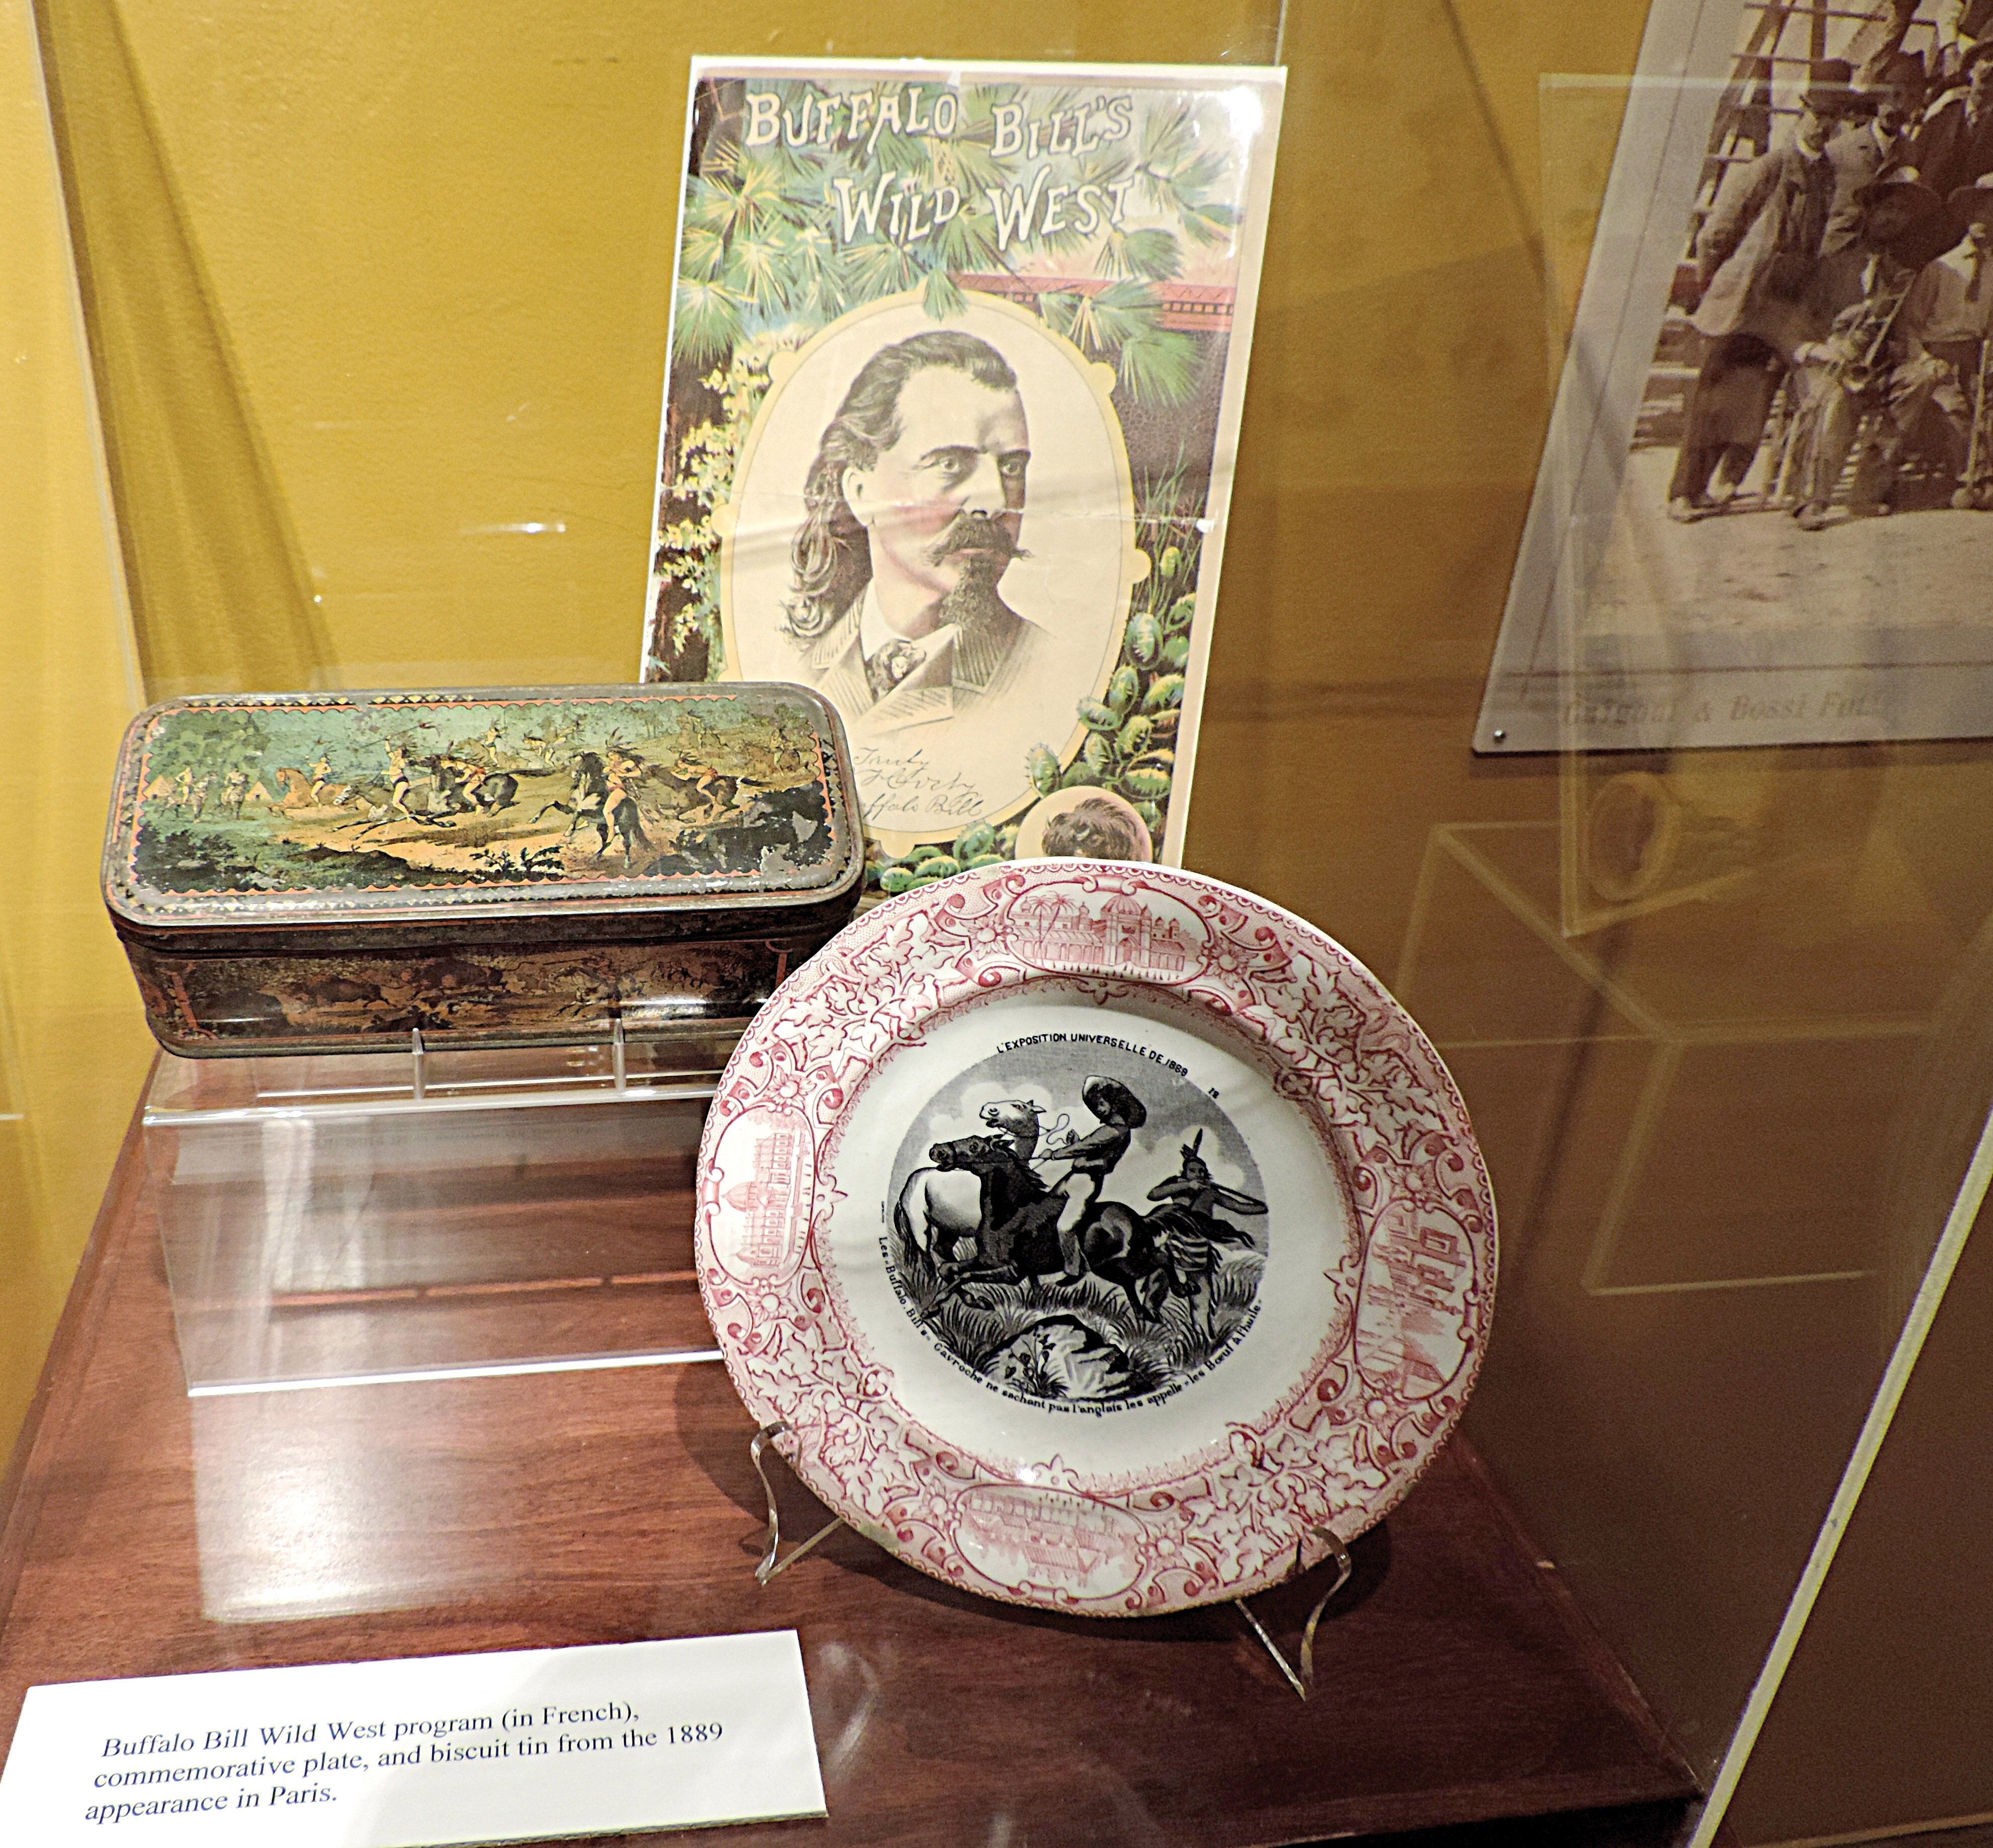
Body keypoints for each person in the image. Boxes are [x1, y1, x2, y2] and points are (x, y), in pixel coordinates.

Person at [784, 330, 1050, 733]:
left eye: (1011, 468)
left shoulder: (1046, 673)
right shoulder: (795, 672)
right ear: (861, 493)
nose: (997, 501)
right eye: (950, 464)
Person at [1669, 61, 1874, 522]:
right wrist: (1717, 286)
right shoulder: (1771, 166)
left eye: (1834, 116)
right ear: (1803, 110)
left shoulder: (1827, 176)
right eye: (1818, 113)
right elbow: (1716, 234)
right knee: (1715, 396)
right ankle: (1685, 492)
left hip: (1782, 307)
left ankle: (1723, 488)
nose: (1824, 124)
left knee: (1757, 397)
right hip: (1741, 299)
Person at [1790, 174, 1954, 529]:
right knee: (1835, 397)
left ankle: (1866, 490)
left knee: (1920, 381)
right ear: (1871, 212)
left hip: (1880, 368)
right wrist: (1821, 349)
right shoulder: (1833, 260)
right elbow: (1801, 319)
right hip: (1827, 363)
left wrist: (1924, 358)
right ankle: (1812, 499)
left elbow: (1909, 327)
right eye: (1888, 208)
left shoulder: (1907, 271)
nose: (1894, 218)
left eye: (1903, 212)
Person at [1824, 55, 1925, 254]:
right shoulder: (1840, 149)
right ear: (1879, 97)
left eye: (1911, 98)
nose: (1900, 106)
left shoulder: (1913, 154)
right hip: (1834, 253)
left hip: (1879, 258)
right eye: (1895, 95)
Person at [1908, 40, 1993, 197]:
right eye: (1988, 58)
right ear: (1971, 70)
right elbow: (1911, 164)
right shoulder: (1941, 119)